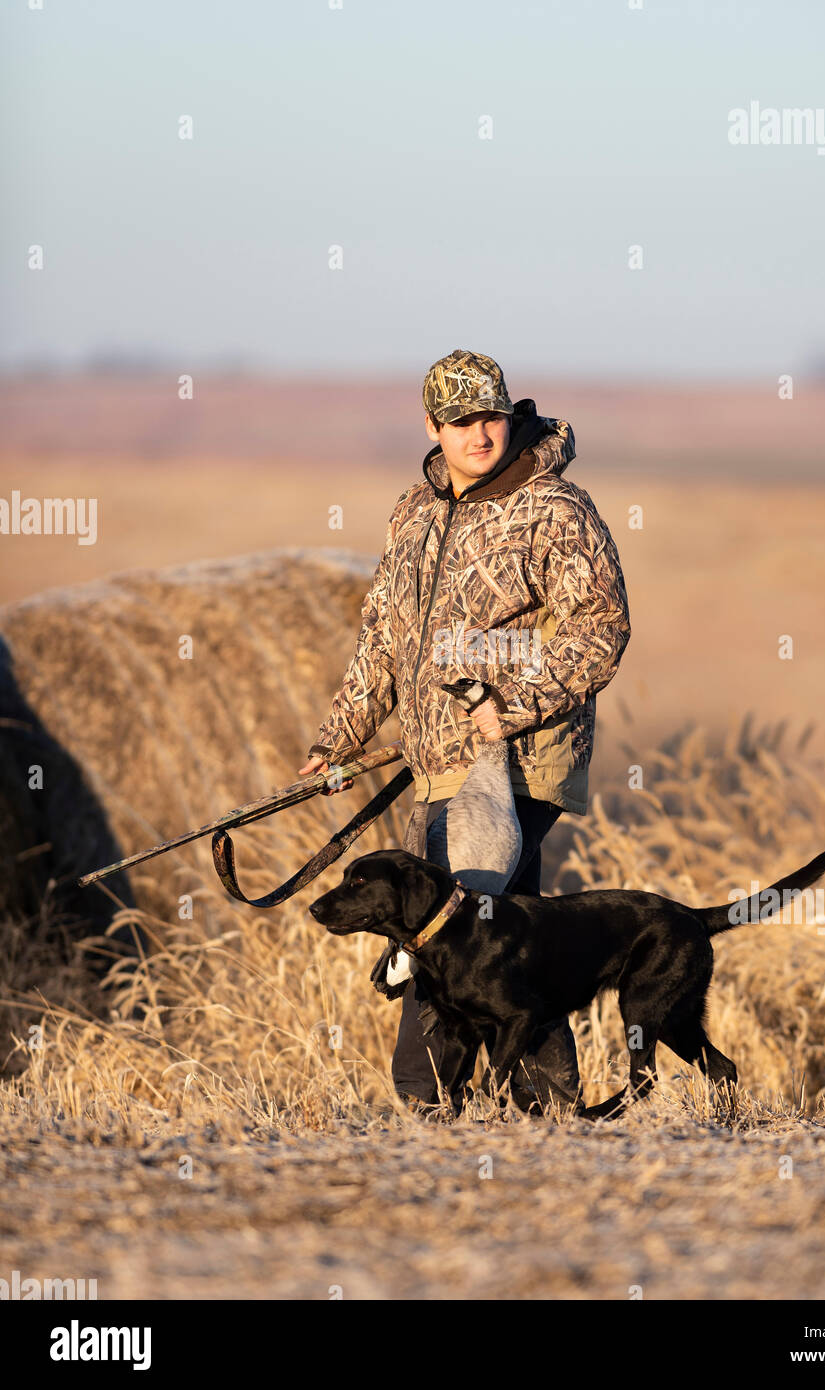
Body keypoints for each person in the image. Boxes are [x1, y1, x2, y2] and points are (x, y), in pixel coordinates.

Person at [299, 347, 631, 1114]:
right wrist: (338, 739)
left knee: (443, 921)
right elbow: (383, 638)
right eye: (459, 421)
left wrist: (512, 705)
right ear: (432, 425)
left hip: (519, 756)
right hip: (436, 762)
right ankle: (543, 1106)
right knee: (492, 933)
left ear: (510, 415)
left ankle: (427, 1097)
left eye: (490, 417)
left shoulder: (556, 508)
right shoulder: (414, 512)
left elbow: (601, 631)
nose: (478, 435)